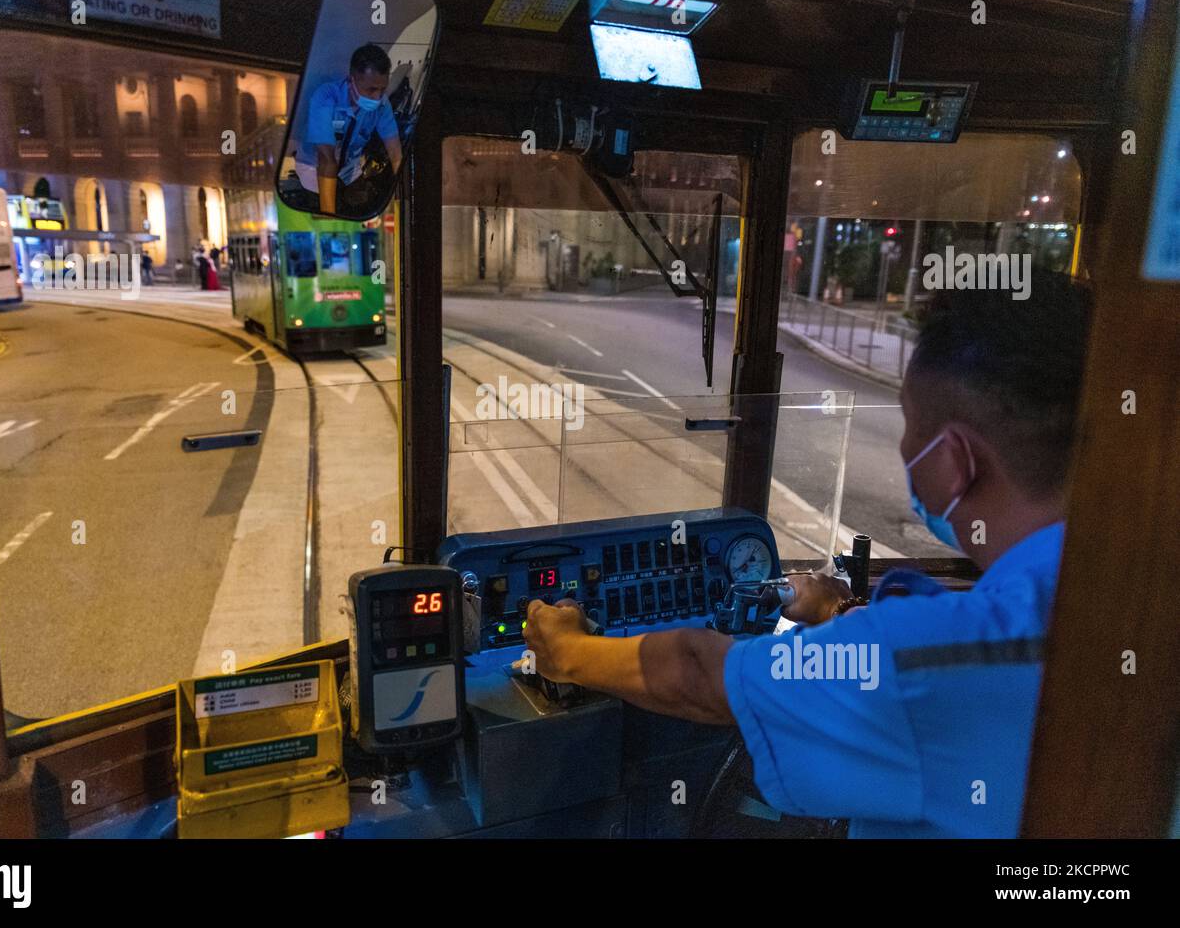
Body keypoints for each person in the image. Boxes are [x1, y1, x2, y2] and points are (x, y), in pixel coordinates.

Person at [522, 270, 1092, 838]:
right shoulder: (1121, 592)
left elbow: (701, 676)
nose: (903, 446)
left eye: (911, 425)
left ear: (955, 459)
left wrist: (567, 652)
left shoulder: (932, 652)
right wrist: (837, 615)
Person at [296, 43, 403, 214]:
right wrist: (329, 214)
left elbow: (395, 153)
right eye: (371, 90)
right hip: (314, 169)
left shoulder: (382, 105)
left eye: (382, 90)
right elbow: (326, 159)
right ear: (352, 80)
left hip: (349, 170)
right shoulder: (325, 97)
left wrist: (401, 201)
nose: (377, 97)